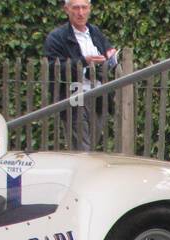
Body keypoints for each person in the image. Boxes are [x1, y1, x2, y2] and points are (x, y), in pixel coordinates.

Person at [44, 1, 119, 150]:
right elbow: (54, 68)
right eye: (76, 8)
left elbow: (107, 50)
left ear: (89, 9)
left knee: (91, 144)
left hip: (98, 96)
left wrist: (111, 54)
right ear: (67, 9)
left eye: (84, 7)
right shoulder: (56, 37)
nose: (80, 12)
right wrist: (84, 61)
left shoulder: (95, 32)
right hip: (74, 96)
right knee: (81, 148)